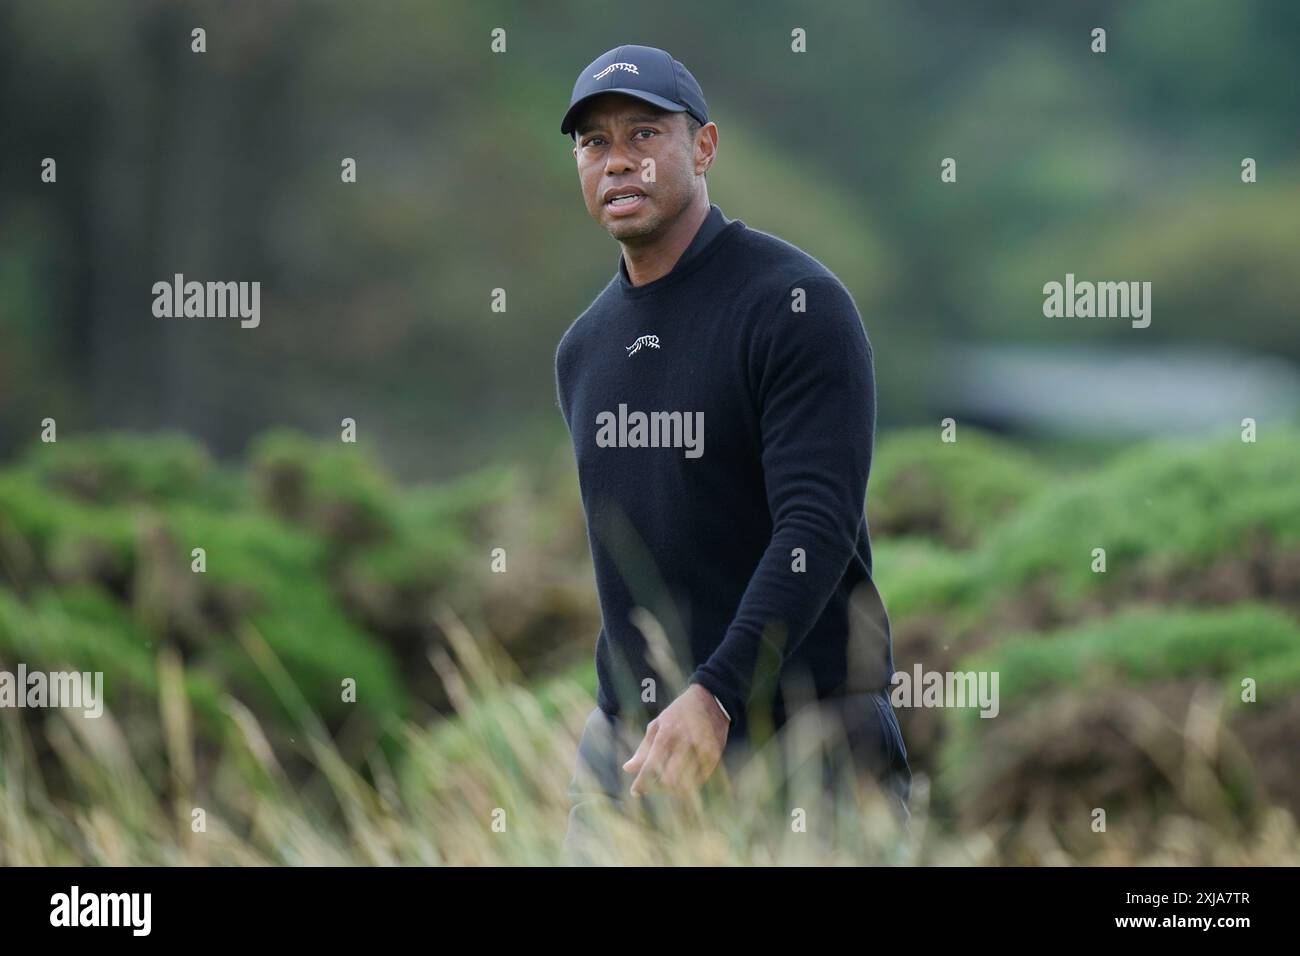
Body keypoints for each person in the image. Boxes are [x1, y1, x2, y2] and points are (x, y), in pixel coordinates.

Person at [553, 44, 910, 863]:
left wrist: (716, 692)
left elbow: (816, 526)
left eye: (644, 134)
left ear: (704, 146)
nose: (618, 161)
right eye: (595, 142)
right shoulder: (583, 348)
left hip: (807, 746)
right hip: (634, 752)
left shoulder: (797, 306)